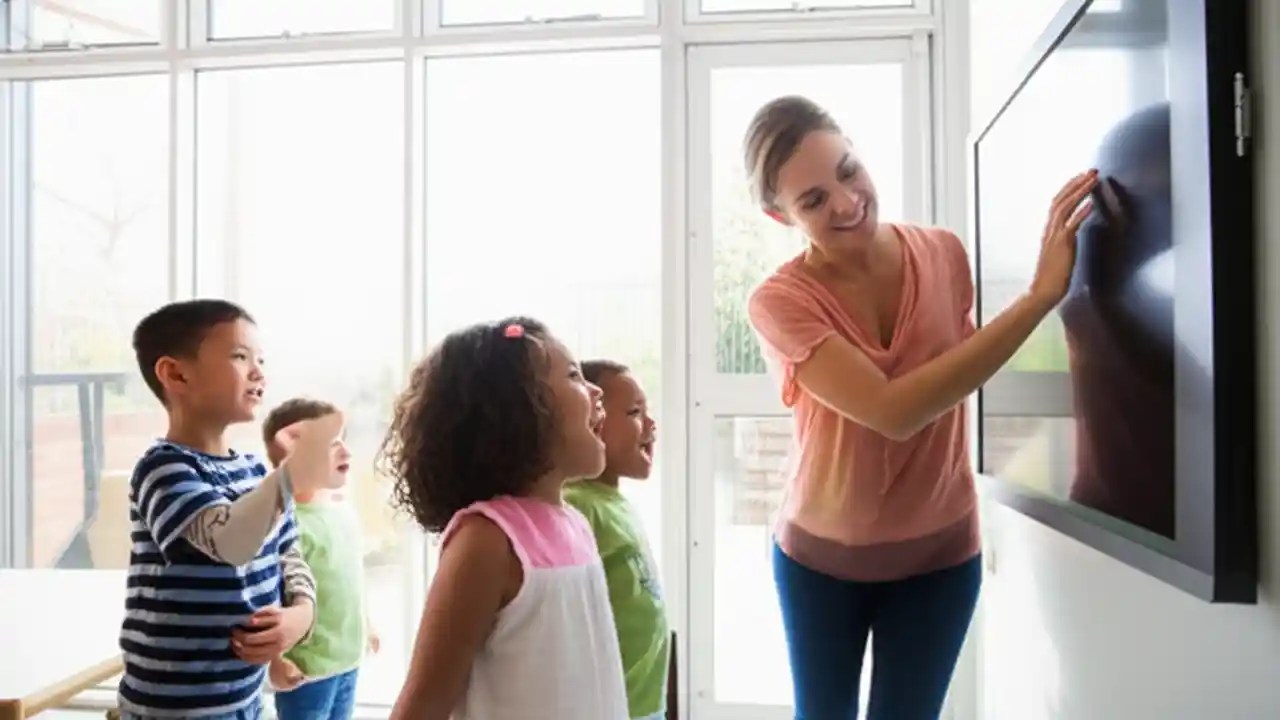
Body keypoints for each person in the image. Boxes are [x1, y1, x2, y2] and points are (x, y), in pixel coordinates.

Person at [742, 95, 1096, 719]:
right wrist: (1040, 296)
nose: (848, 203)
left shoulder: (945, 254)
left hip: (940, 560)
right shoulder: (778, 302)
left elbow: (961, 372)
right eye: (814, 200)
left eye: (848, 170)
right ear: (781, 217)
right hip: (819, 565)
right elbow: (892, 410)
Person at [380, 317, 630, 720]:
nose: (596, 390)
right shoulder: (488, 540)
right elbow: (423, 706)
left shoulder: (577, 526)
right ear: (516, 410)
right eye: (573, 375)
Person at [119, 299, 345, 719]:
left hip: (244, 699)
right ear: (175, 373)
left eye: (260, 359)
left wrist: (301, 614)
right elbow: (229, 540)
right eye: (240, 357)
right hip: (174, 709)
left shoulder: (256, 470)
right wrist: (291, 473)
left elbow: (288, 555)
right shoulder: (164, 468)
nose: (259, 371)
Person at [261, 398, 382, 720]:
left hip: (347, 659)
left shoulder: (343, 512)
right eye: (331, 444)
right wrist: (274, 661)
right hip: (305, 668)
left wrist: (366, 624)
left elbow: (350, 577)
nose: (346, 451)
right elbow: (268, 597)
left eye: (343, 440)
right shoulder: (285, 524)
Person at [564, 360, 669, 720]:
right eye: (635, 412)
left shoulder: (614, 502)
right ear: (592, 419)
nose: (651, 425)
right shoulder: (577, 504)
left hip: (642, 705)